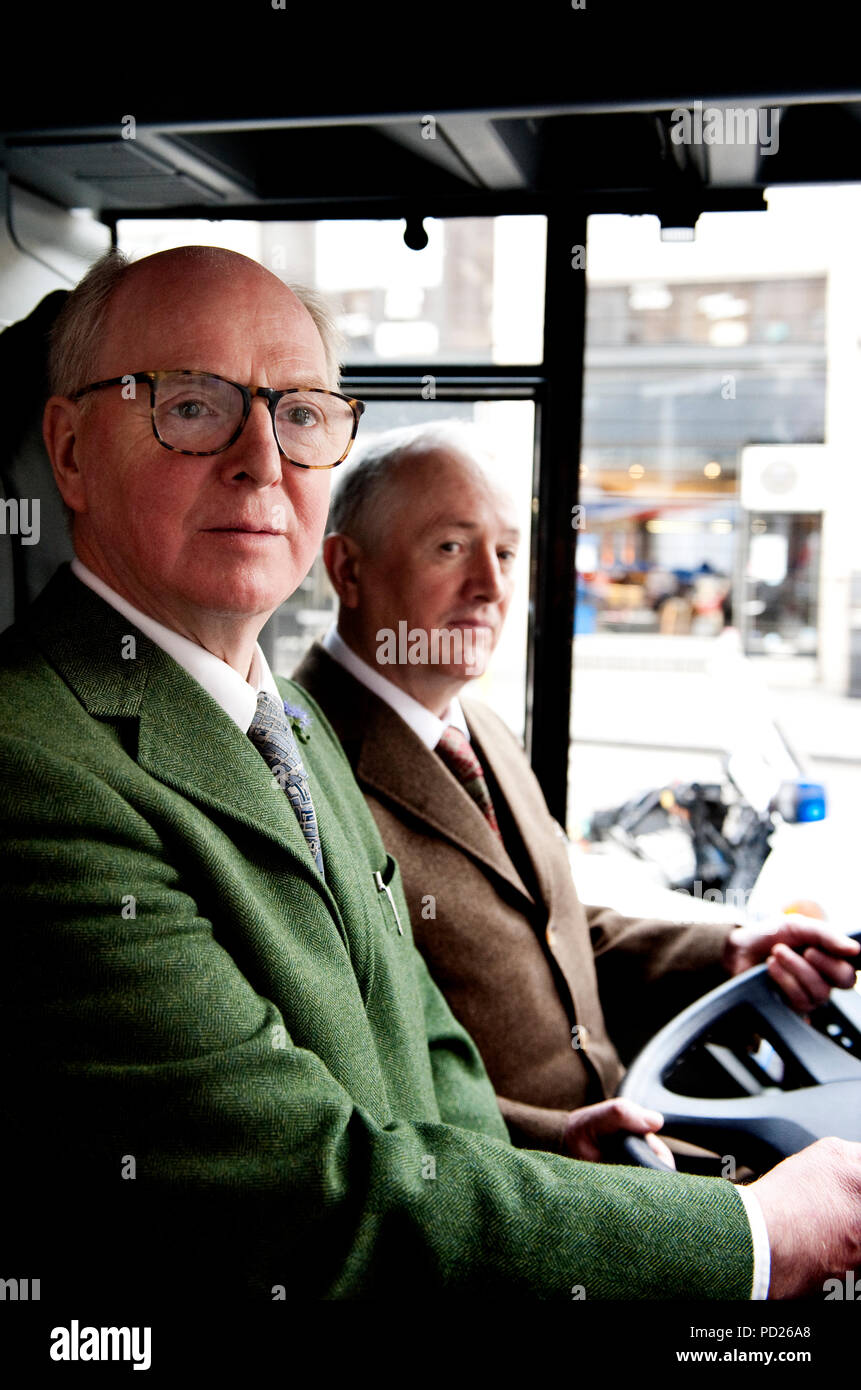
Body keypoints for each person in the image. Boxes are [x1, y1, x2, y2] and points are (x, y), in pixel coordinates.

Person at [2, 248, 859, 1304]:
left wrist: (540, 1149)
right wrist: (753, 1235)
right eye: (191, 405)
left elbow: (426, 1057)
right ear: (71, 449)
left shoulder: (291, 720)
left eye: (303, 415)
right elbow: (311, 1202)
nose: (262, 460)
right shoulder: (33, 766)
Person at [292, 422, 860, 1169]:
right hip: (527, 1186)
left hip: (633, 1137)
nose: (492, 589)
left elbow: (551, 934)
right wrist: (552, 1136)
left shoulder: (477, 726)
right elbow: (345, 1081)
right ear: (348, 569)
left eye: (503, 553)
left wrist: (725, 950)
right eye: (451, 548)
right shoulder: (302, 769)